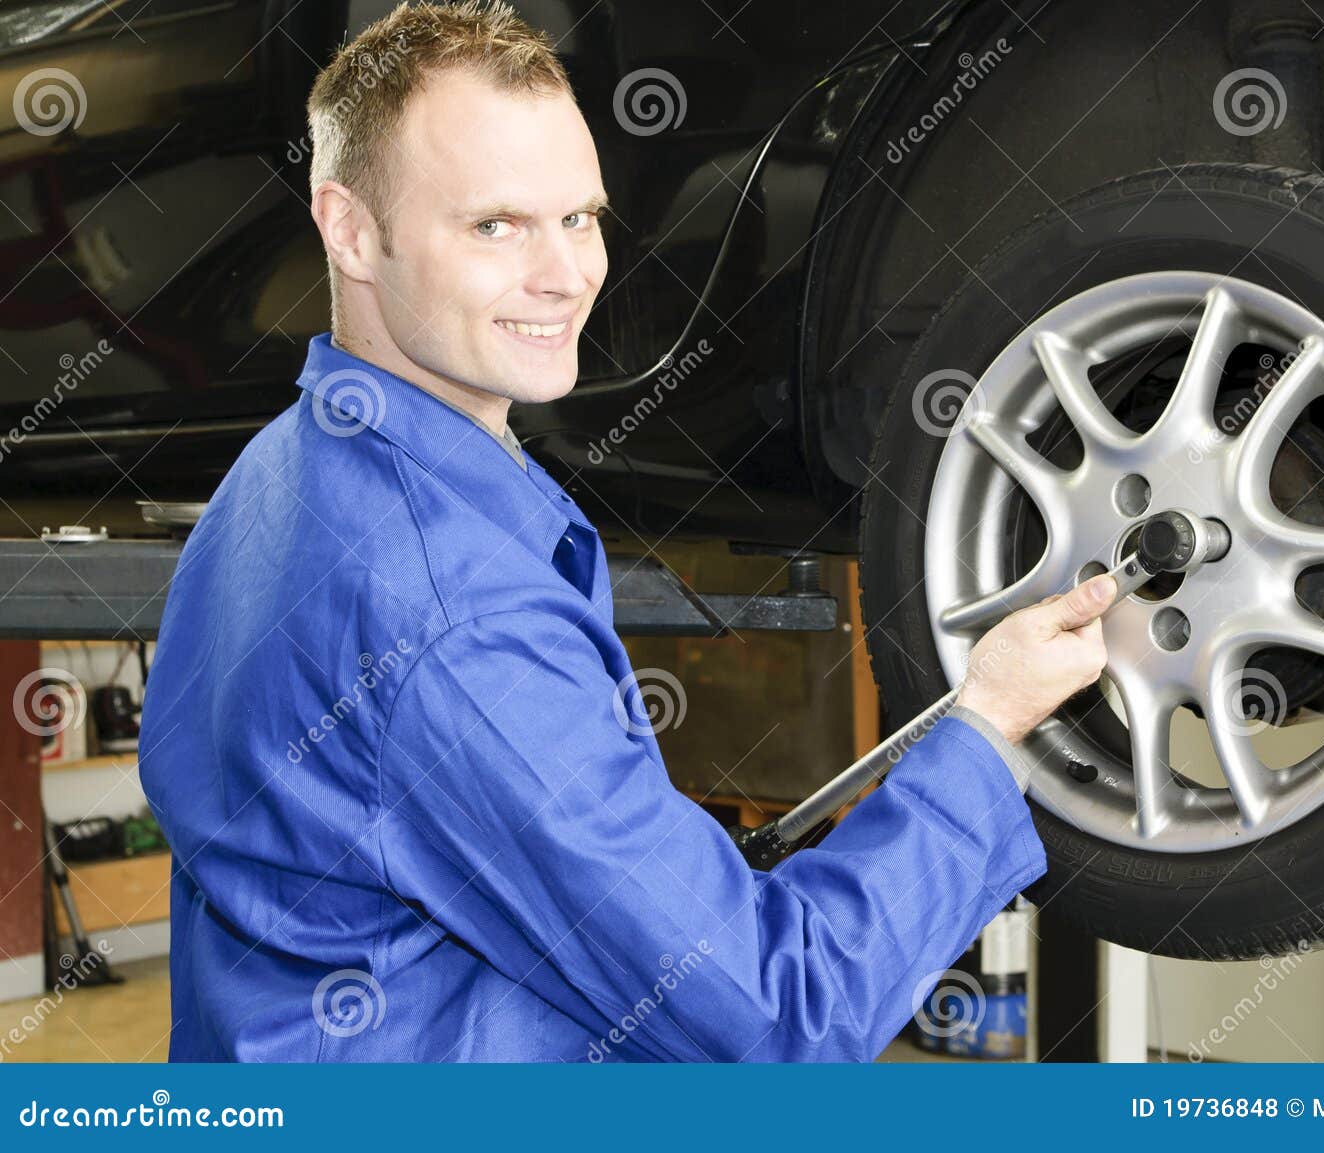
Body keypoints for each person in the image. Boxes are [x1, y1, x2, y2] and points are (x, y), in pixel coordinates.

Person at [138, 0, 1112, 1062]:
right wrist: (986, 733)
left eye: (582, 217)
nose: (564, 275)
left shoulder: (280, 473)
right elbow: (779, 1017)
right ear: (351, 230)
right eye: (494, 226)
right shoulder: (451, 619)